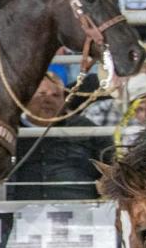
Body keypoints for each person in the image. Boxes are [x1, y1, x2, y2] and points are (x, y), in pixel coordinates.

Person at [6, 72, 103, 201]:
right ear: (25, 99)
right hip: (19, 208)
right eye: (41, 94)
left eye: (56, 95)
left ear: (64, 100)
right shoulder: (9, 129)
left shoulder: (84, 127)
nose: (48, 100)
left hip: (80, 206)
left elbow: (111, 164)